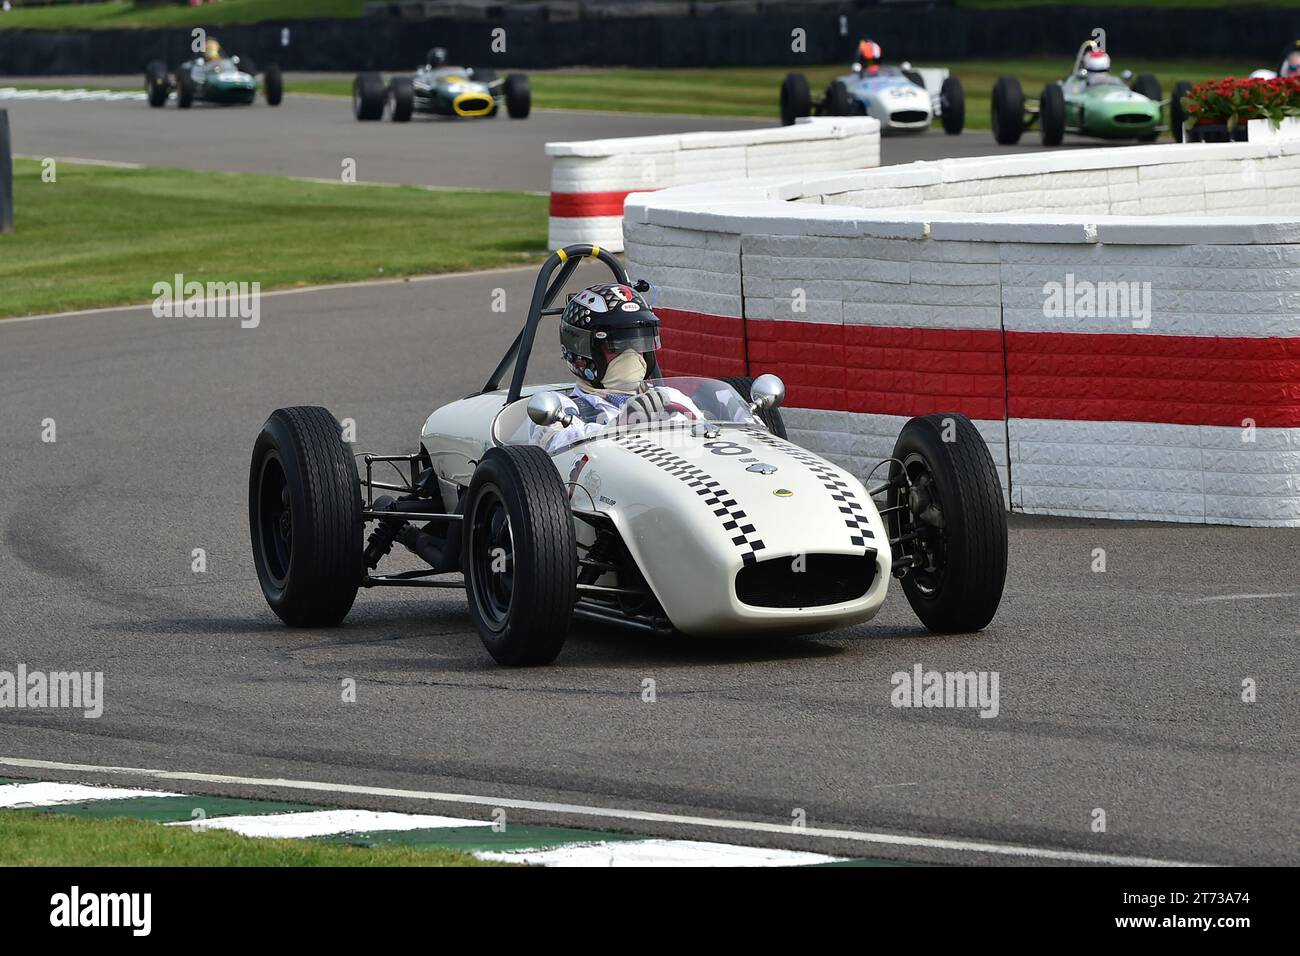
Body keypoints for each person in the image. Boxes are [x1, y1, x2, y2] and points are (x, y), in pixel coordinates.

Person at [530, 282, 703, 452]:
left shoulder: (670, 396)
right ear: (582, 351)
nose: (632, 354)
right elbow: (551, 450)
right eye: (616, 345)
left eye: (639, 343)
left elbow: (711, 439)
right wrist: (619, 427)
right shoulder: (555, 408)